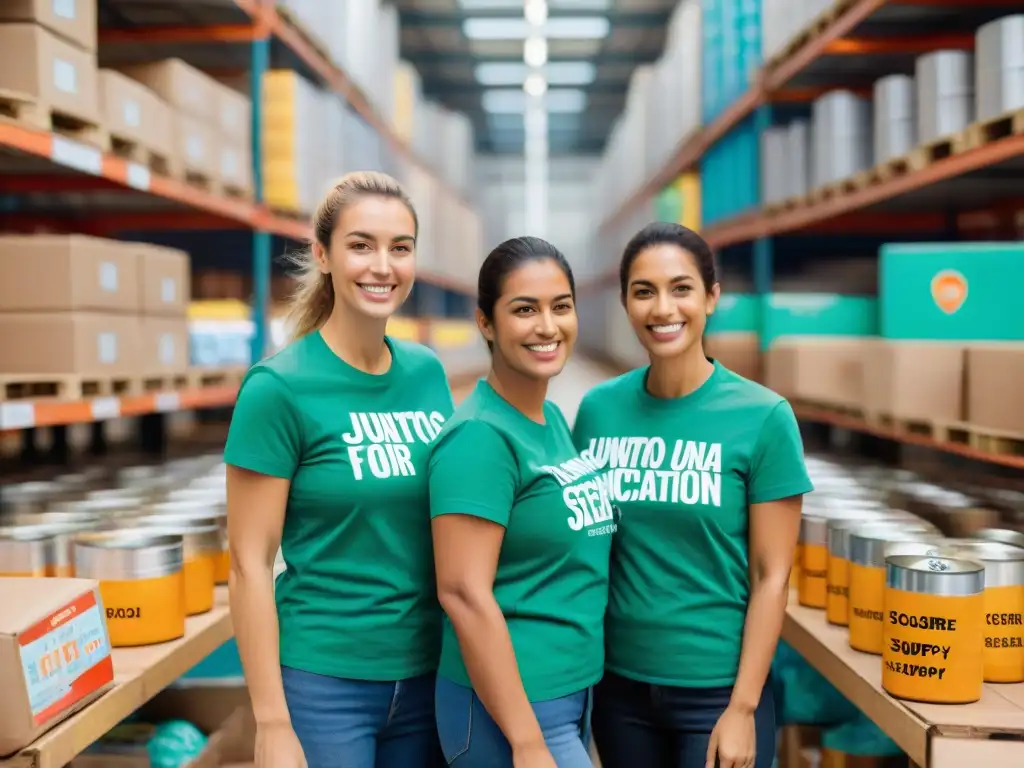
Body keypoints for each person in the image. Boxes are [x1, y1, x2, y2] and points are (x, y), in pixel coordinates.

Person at [224, 171, 454, 768]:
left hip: (430, 674)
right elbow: (248, 562)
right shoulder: (278, 388)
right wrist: (272, 722)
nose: (383, 265)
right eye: (361, 245)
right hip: (325, 684)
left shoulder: (428, 375)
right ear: (323, 256)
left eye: (400, 248)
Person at [572, 222, 813, 768]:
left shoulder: (763, 418)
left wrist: (743, 708)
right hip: (618, 687)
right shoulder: (597, 412)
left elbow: (771, 576)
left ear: (711, 297)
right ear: (626, 304)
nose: (663, 309)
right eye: (644, 291)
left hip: (717, 692)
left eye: (681, 288)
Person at [428, 237, 614, 767]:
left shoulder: (552, 420)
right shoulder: (480, 438)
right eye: (524, 309)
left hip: (568, 695)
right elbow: (463, 592)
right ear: (486, 323)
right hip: (509, 710)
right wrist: (527, 740)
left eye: (561, 306)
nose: (548, 326)